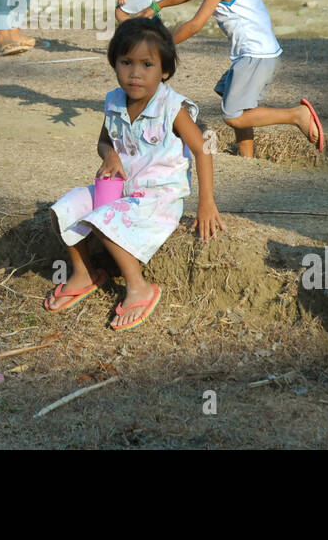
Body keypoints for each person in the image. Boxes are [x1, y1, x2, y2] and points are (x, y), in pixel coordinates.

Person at [45, 18, 221, 331]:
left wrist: (206, 203)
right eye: (126, 62)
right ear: (114, 64)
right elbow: (103, 141)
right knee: (66, 207)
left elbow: (203, 150)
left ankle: (138, 286)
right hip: (123, 191)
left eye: (147, 64)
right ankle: (84, 272)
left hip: (158, 197)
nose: (135, 73)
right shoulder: (114, 102)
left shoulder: (172, 107)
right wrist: (110, 154)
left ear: (164, 70)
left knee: (103, 219)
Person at [147, 0, 323, 158]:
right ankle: (246, 155)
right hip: (260, 55)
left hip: (254, 57)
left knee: (233, 116)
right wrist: (157, 6)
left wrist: (162, 46)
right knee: (238, 103)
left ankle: (296, 115)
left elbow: (195, 24)